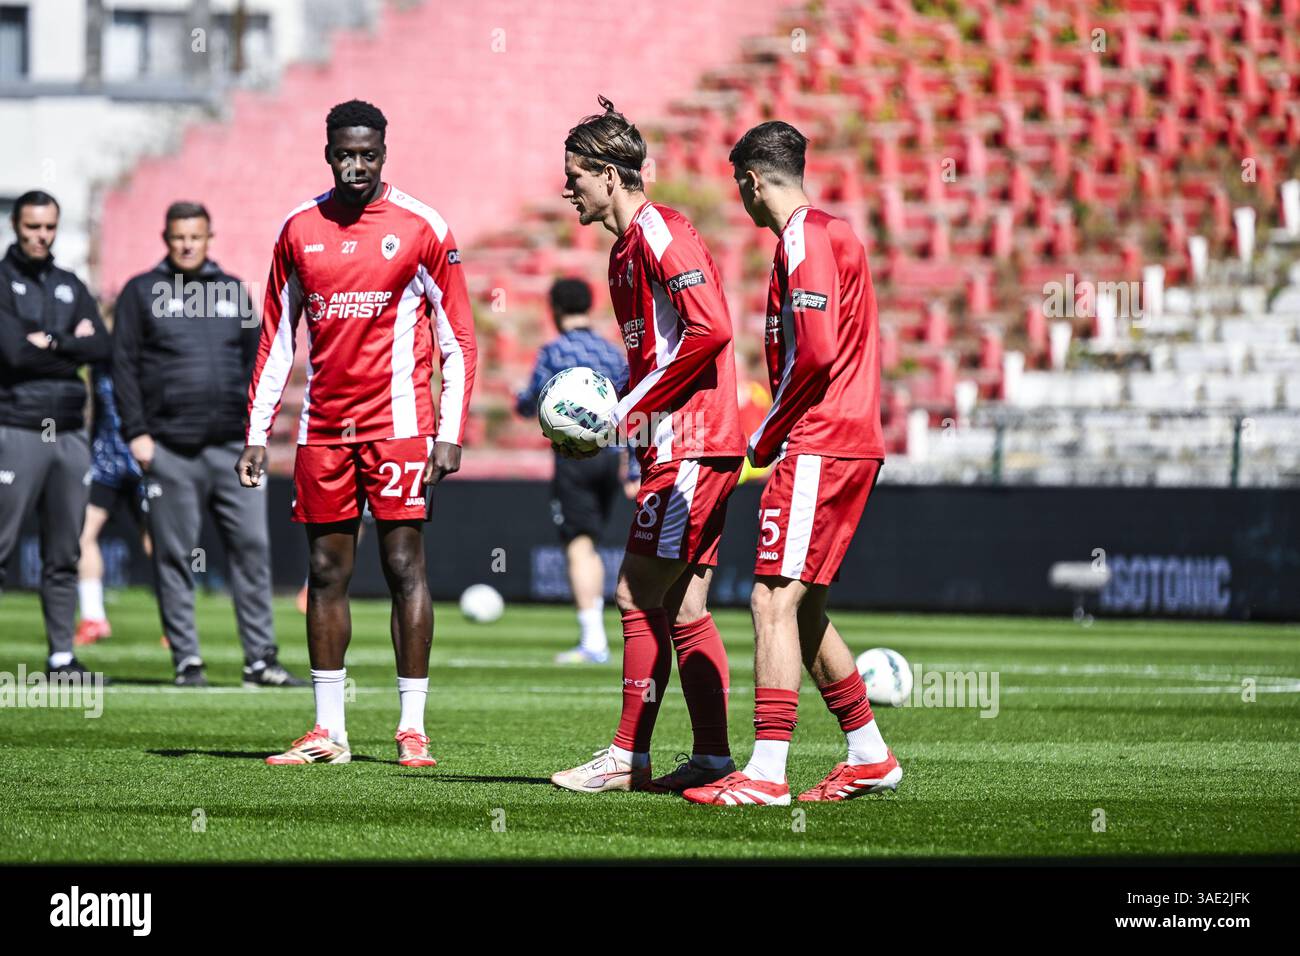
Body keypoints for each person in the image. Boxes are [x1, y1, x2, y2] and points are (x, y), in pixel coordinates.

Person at [237, 99, 477, 767]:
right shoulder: (297, 230)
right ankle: (329, 732)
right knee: (324, 571)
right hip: (322, 430)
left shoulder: (422, 227)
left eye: (368, 153)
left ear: (384, 153)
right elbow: (276, 341)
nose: (356, 165)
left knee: (404, 566)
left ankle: (412, 727)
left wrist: (449, 429)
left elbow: (458, 338)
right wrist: (257, 432)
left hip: (400, 426)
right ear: (327, 152)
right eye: (345, 153)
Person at [684, 121, 901, 806]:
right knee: (804, 607)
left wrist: (767, 434)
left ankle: (767, 772)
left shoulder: (804, 237)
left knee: (770, 598)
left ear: (751, 180)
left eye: (738, 189)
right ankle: (869, 754)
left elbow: (814, 352)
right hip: (851, 437)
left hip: (820, 437)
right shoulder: (838, 234)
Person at [550, 97, 744, 794]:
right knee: (683, 605)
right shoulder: (622, 253)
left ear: (608, 174)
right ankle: (712, 759)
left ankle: (626, 758)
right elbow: (651, 360)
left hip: (696, 440)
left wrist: (623, 412)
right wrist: (636, 442)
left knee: (635, 593)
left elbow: (710, 330)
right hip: (675, 445)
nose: (567, 187)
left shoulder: (661, 231)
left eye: (575, 174)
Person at [112, 201, 302, 689]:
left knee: (253, 550)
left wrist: (255, 436)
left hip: (232, 450)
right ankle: (187, 661)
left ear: (209, 236)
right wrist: (136, 431)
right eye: (178, 237)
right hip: (169, 449)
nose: (187, 245)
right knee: (175, 556)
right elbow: (123, 367)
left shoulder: (232, 291)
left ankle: (261, 660)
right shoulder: (142, 292)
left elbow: (259, 363)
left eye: (195, 236)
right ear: (166, 237)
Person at [0, 190, 111, 677]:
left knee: (64, 550)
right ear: (16, 227)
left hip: (69, 432)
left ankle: (61, 656)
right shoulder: (1, 282)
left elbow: (102, 347)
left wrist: (51, 342)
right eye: (32, 227)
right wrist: (73, 345)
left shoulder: (69, 283)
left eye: (49, 227)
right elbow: (13, 355)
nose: (42, 236)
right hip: (16, 427)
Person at [516, 277, 639, 664]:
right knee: (597, 541)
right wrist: (633, 467)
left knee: (580, 543)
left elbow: (530, 402)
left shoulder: (554, 351)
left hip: (574, 456)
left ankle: (593, 641)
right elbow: (633, 405)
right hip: (612, 453)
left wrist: (520, 398)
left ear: (553, 309)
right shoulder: (611, 352)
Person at [74, 362, 150, 646]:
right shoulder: (99, 360)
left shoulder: (147, 352)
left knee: (156, 542)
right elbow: (93, 408)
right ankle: (93, 617)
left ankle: (176, 621)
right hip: (105, 461)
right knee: (84, 534)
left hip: (144, 459)